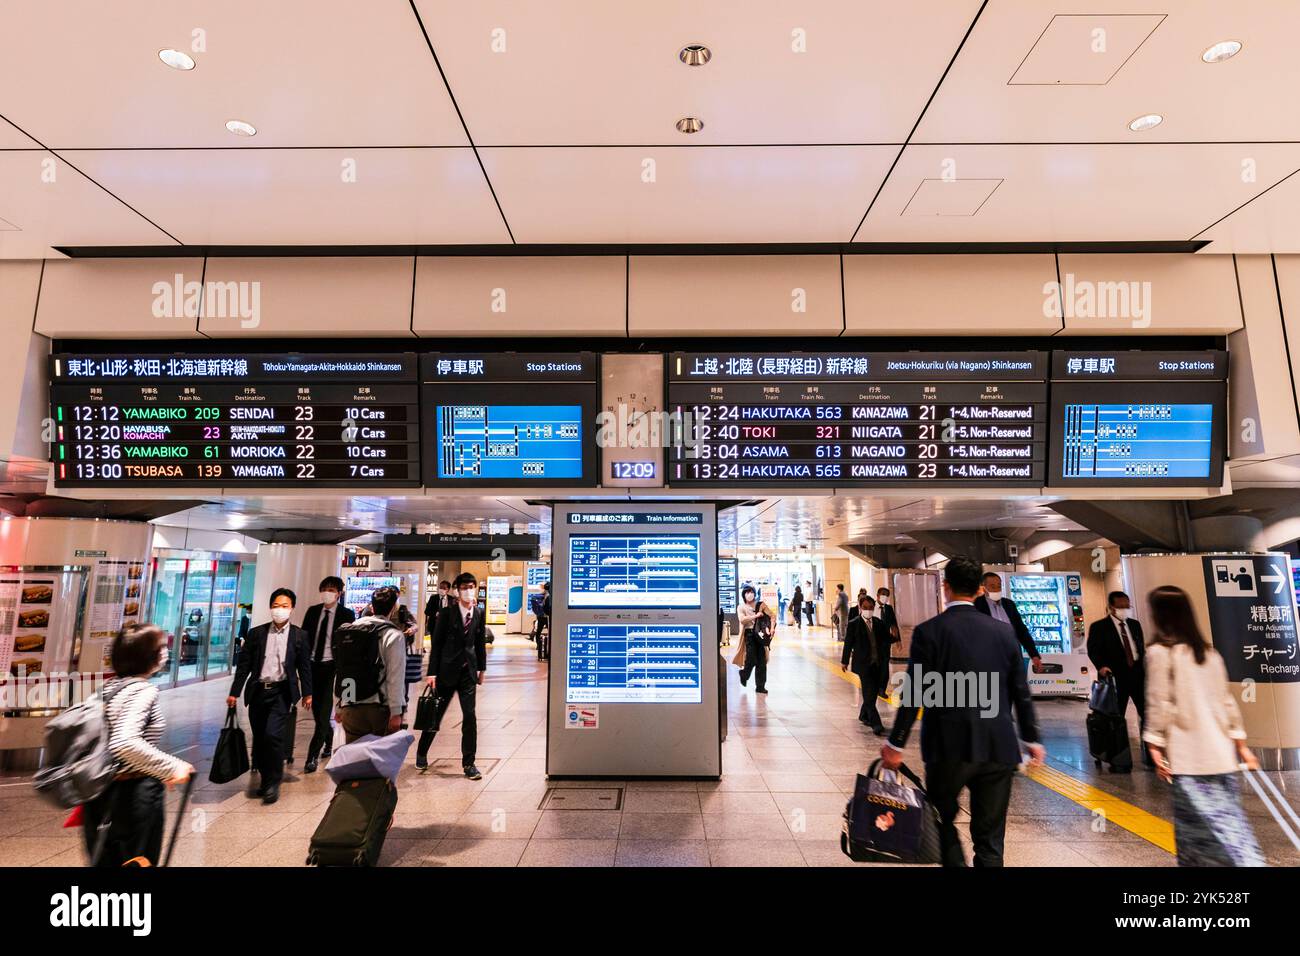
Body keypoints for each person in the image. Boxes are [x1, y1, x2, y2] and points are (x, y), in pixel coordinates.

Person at [882, 555, 1044, 868]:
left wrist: (896, 742)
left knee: (941, 821)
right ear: (981, 590)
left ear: (945, 588)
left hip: (947, 746)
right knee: (991, 836)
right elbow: (1020, 692)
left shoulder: (929, 631)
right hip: (998, 745)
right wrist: (1032, 739)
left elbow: (915, 691)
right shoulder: (1003, 632)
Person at [1142, 585, 1264, 866]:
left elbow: (1158, 702)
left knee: (1195, 836)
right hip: (1221, 757)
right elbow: (1227, 702)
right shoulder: (1210, 654)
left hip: (1188, 759)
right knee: (1228, 826)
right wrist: (1241, 746)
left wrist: (1154, 746)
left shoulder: (1159, 654)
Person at [82, 624, 194, 867]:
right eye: (161, 647)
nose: (165, 652)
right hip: (134, 796)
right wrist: (171, 767)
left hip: (100, 791)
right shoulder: (142, 691)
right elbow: (124, 742)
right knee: (138, 861)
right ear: (148, 656)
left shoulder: (108, 688)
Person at [227, 588, 312, 805]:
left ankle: (273, 782)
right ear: (270, 607)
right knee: (261, 738)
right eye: (276, 605)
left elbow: (304, 667)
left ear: (292, 608)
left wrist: (308, 693)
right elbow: (244, 666)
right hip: (258, 692)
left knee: (273, 736)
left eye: (284, 606)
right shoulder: (256, 634)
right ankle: (266, 780)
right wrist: (234, 692)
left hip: (281, 692)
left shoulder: (299, 636)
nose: (280, 610)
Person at [416, 572, 487, 779]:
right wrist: (432, 672)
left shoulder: (479, 613)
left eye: (471, 586)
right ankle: (421, 752)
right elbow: (436, 644)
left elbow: (479, 642)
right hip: (446, 672)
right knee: (436, 715)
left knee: (470, 717)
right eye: (464, 587)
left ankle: (469, 763)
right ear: (457, 590)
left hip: (468, 673)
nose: (468, 590)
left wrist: (482, 669)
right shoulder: (447, 614)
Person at [333, 585, 408, 743]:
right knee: (380, 762)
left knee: (355, 761)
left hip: (350, 706)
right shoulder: (393, 635)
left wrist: (340, 705)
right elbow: (395, 676)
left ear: (372, 607)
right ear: (394, 608)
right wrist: (396, 712)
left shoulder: (352, 630)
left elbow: (344, 669)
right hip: (378, 708)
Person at [1087, 590, 1150, 770]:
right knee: (1115, 719)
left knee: (1146, 714)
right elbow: (1094, 650)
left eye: (1127, 605)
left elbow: (1139, 648)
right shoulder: (1099, 627)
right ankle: (1117, 758)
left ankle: (1151, 756)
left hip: (1137, 675)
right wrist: (1101, 666)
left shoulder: (1135, 625)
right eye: (1120, 606)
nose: (1124, 609)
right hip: (1114, 677)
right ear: (1111, 607)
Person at [300, 576, 356, 773]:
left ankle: (312, 757)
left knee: (324, 712)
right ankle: (329, 738)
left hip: (332, 666)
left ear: (339, 593)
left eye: (332, 589)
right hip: (313, 665)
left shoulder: (347, 614)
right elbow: (304, 638)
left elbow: (350, 644)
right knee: (318, 713)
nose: (328, 592)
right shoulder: (313, 612)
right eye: (325, 588)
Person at [974, 572, 1043, 674]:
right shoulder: (977, 606)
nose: (997, 590)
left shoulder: (1009, 604)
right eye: (992, 586)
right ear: (984, 588)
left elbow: (1021, 630)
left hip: (1012, 658)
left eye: (999, 586)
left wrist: (1034, 655)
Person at [841, 594, 884, 734]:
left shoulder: (878, 623)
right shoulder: (854, 624)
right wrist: (844, 661)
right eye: (865, 608)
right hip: (863, 664)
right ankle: (876, 723)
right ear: (860, 608)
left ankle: (863, 714)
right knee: (868, 692)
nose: (868, 610)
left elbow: (885, 640)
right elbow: (848, 643)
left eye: (871, 608)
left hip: (876, 664)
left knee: (873, 692)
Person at [737, 585, 774, 694]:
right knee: (751, 658)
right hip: (749, 634)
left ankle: (760, 686)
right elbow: (742, 620)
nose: (749, 594)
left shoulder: (760, 605)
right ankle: (744, 674)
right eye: (747, 592)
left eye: (751, 592)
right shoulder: (741, 607)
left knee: (762, 661)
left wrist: (772, 628)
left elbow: (772, 615)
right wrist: (756, 616)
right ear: (744, 594)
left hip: (760, 634)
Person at [873, 586, 901, 696]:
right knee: (875, 665)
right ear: (877, 595)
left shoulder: (889, 609)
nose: (884, 597)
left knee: (885, 665)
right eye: (883, 594)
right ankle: (873, 686)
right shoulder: (871, 607)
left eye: (886, 595)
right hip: (873, 642)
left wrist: (898, 640)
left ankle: (882, 689)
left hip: (885, 642)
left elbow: (894, 624)